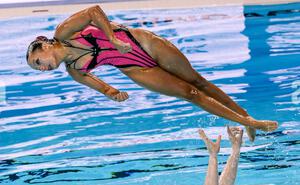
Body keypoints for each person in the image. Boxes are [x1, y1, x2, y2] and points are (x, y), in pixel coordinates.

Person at [26, 4, 278, 141]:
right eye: (38, 68)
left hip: (141, 42)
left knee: (197, 80)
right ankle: (249, 122)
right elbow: (105, 88)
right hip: (134, 67)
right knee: (189, 93)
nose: (42, 68)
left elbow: (94, 11)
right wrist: (114, 93)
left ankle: (245, 115)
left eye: (38, 61)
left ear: (46, 45)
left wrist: (112, 39)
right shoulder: (75, 70)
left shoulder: (63, 32)